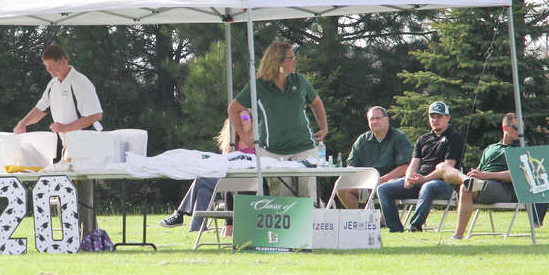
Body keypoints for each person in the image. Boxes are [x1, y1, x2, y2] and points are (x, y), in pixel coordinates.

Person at [12, 43, 104, 234]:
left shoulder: (80, 82)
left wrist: (65, 128)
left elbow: (95, 116)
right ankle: (73, 235)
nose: (50, 71)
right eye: (46, 67)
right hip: (68, 146)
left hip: (87, 144)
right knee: (68, 191)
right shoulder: (53, 85)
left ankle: (88, 236)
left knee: (84, 196)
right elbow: (40, 109)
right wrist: (23, 123)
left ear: (63, 61)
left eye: (52, 67)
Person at [227, 41, 328, 202]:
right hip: (272, 152)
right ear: (278, 61)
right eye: (291, 58)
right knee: (281, 201)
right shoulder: (258, 86)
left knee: (309, 198)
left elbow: (316, 102)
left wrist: (324, 128)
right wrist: (245, 138)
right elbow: (233, 109)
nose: (295, 61)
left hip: (304, 148)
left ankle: (311, 228)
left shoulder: (299, 81)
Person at [375, 101, 465, 232]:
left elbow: (448, 167)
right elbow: (414, 163)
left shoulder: (455, 138)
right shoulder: (423, 139)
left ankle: (415, 226)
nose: (435, 120)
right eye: (432, 117)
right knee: (383, 189)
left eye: (439, 116)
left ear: (448, 117)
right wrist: (409, 178)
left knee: (428, 186)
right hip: (420, 181)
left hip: (443, 184)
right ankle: (395, 228)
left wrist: (425, 179)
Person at [160, 110, 256, 230]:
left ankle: (179, 214)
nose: (243, 121)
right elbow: (223, 166)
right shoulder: (231, 143)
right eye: (239, 118)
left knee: (201, 180)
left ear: (252, 121)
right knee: (202, 190)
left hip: (247, 184)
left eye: (246, 117)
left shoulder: (257, 143)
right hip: (227, 185)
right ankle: (197, 229)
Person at [450, 113, 520, 239]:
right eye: (516, 127)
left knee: (467, 188)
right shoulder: (491, 148)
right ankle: (466, 180)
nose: (520, 131)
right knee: (465, 183)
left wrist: (484, 175)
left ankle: (458, 235)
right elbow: (480, 169)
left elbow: (516, 175)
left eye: (522, 128)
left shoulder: (520, 149)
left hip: (503, 188)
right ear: (505, 128)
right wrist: (475, 173)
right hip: (483, 183)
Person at [338, 106, 412, 209]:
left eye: (378, 118)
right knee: (342, 187)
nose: (375, 121)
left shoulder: (400, 138)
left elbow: (404, 167)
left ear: (386, 119)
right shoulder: (362, 140)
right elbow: (351, 166)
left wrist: (380, 180)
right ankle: (359, 221)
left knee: (390, 186)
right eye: (371, 119)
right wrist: (361, 180)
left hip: (390, 181)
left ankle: (383, 222)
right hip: (366, 183)